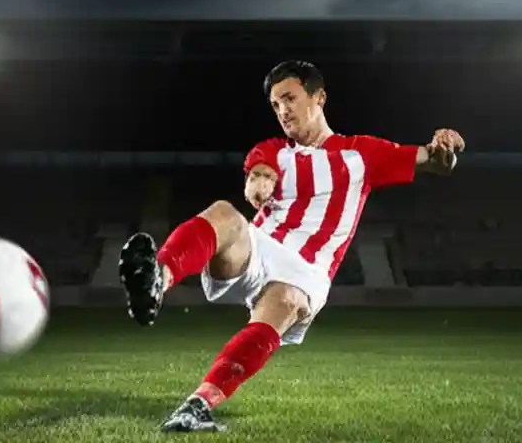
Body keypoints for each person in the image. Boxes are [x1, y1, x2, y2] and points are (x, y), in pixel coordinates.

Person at [119, 60, 465, 432]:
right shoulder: (271, 149)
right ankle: (158, 278)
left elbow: (434, 161)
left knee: (285, 301)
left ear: (319, 97)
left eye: (289, 99)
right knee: (224, 213)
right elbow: (258, 174)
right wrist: (258, 185)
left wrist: (446, 146)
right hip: (260, 248)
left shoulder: (363, 154)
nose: (282, 111)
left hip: (308, 271)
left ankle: (197, 406)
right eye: (275, 105)